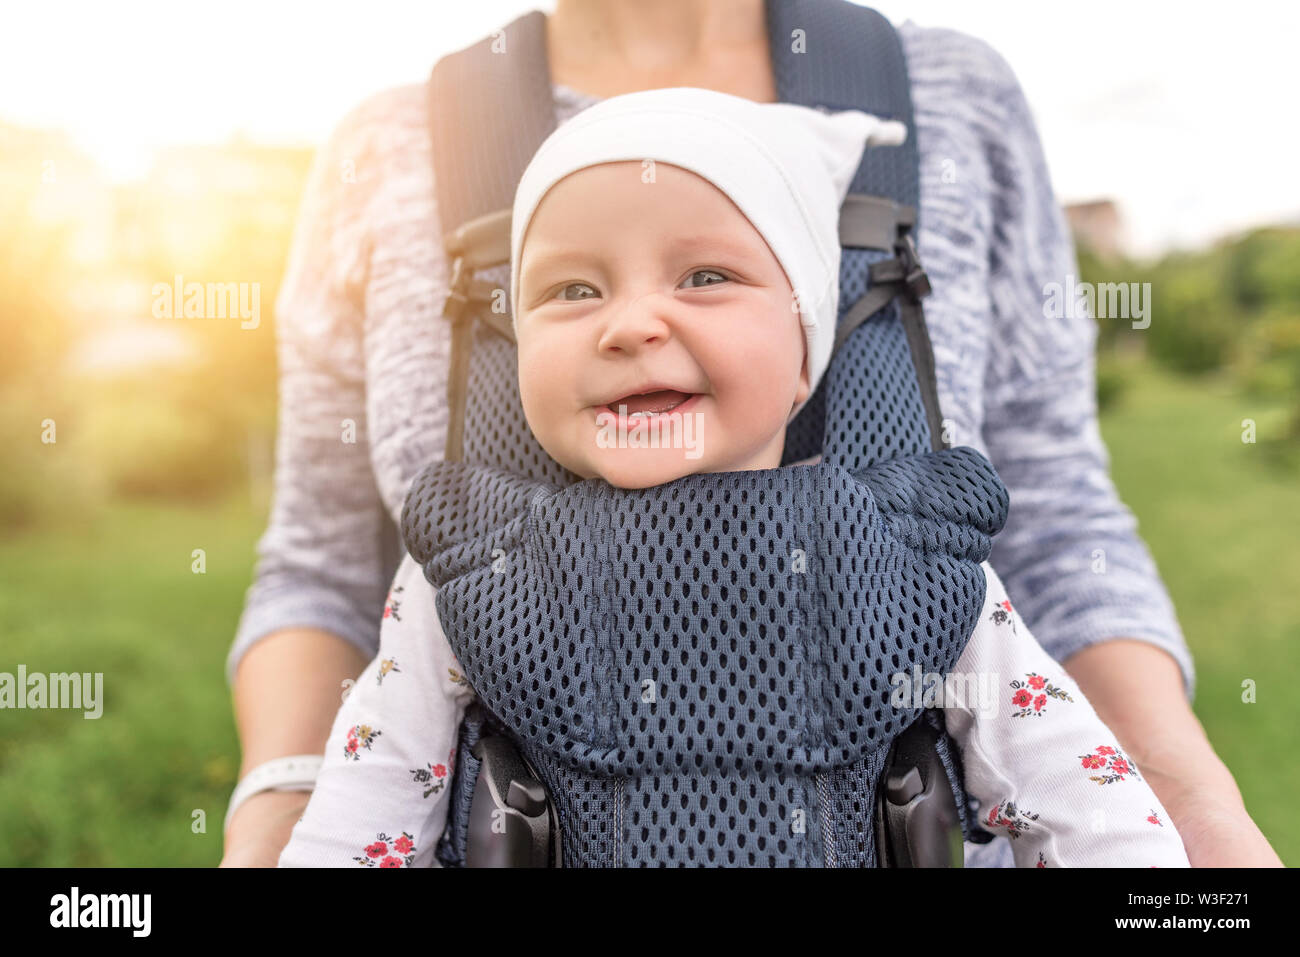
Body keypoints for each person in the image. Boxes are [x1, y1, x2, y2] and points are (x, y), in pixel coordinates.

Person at [221, 0, 1281, 867]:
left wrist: (1184, 814)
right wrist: (276, 811)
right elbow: (324, 578)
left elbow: (1053, 535)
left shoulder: (917, 570)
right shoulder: (463, 579)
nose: (634, 323)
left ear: (810, 342)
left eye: (708, 277)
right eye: (573, 289)